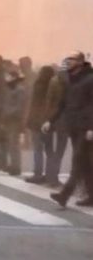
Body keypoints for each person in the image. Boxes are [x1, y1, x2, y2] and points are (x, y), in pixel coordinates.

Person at [47, 52, 93, 207]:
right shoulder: (69, 80)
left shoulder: (90, 79)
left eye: (72, 59)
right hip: (73, 126)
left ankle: (64, 195)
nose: (69, 61)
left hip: (85, 128)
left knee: (78, 161)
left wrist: (91, 127)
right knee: (85, 163)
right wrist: (50, 120)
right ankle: (91, 196)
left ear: (80, 62)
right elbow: (62, 103)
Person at [24, 66, 56, 184]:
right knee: (49, 150)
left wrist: (29, 120)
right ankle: (50, 175)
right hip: (48, 122)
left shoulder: (38, 85)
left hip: (36, 122)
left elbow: (33, 105)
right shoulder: (53, 86)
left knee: (38, 149)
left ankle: (38, 174)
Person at [43, 62, 70, 187]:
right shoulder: (72, 81)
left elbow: (48, 100)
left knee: (50, 149)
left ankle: (50, 175)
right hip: (65, 119)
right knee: (60, 149)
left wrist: (47, 118)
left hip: (53, 118)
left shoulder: (54, 80)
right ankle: (55, 176)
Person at [1, 70, 28, 176]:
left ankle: (16, 167)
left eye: (8, 76)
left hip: (15, 120)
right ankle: (13, 164)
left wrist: (8, 113)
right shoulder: (11, 88)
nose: (6, 78)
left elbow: (19, 107)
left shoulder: (19, 89)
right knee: (11, 144)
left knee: (14, 144)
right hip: (9, 119)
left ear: (13, 77)